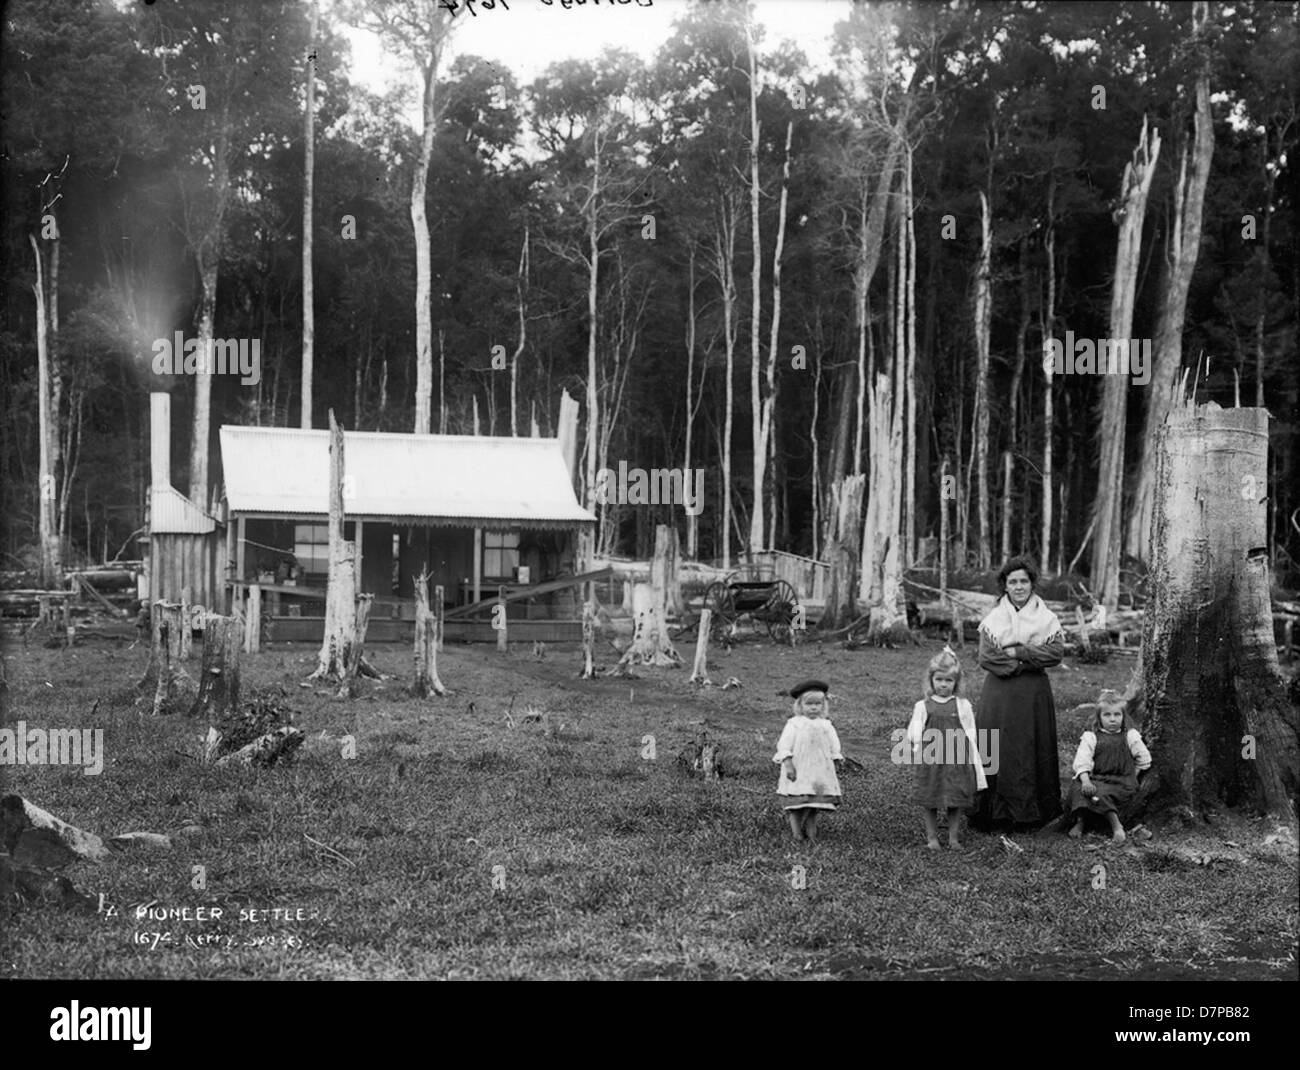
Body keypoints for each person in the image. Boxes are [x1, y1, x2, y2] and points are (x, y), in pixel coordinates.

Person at [971, 557, 1065, 831]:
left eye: (1024, 580)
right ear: (1005, 586)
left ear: (1032, 583)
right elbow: (987, 657)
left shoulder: (1046, 618)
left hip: (1033, 695)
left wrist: (1018, 651)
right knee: (996, 747)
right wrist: (1024, 664)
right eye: (1013, 582)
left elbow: (1055, 653)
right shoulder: (994, 618)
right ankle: (992, 814)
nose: (1019, 586)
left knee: (1028, 747)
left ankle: (1031, 814)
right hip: (999, 694)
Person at [907, 646, 987, 850]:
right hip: (931, 759)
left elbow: (970, 732)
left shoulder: (962, 705)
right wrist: (918, 750)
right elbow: (914, 731)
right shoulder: (923, 705)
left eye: (949, 680)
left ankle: (953, 837)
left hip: (956, 758)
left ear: (956, 682)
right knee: (930, 797)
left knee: (955, 797)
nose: (943, 684)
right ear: (931, 680)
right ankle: (932, 837)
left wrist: (972, 758)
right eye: (939, 679)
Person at [1066, 689, 1152, 843]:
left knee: (1100, 793)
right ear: (1099, 718)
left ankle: (1116, 825)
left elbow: (1144, 759)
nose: (1112, 719)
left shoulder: (1130, 736)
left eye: (1117, 715)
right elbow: (1082, 761)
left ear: (1123, 716)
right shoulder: (1091, 737)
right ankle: (1080, 822)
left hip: (1122, 781)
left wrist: (1134, 775)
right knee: (1078, 788)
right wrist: (1086, 781)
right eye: (1107, 715)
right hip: (1097, 778)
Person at [773, 679, 843, 843]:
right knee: (797, 806)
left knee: (813, 806)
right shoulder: (795, 724)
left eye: (817, 704)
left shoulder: (825, 725)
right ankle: (797, 835)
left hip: (818, 772)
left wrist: (836, 759)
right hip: (799, 770)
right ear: (800, 705)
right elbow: (784, 744)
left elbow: (834, 745)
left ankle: (812, 834)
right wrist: (788, 763)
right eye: (809, 704)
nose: (813, 707)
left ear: (823, 705)